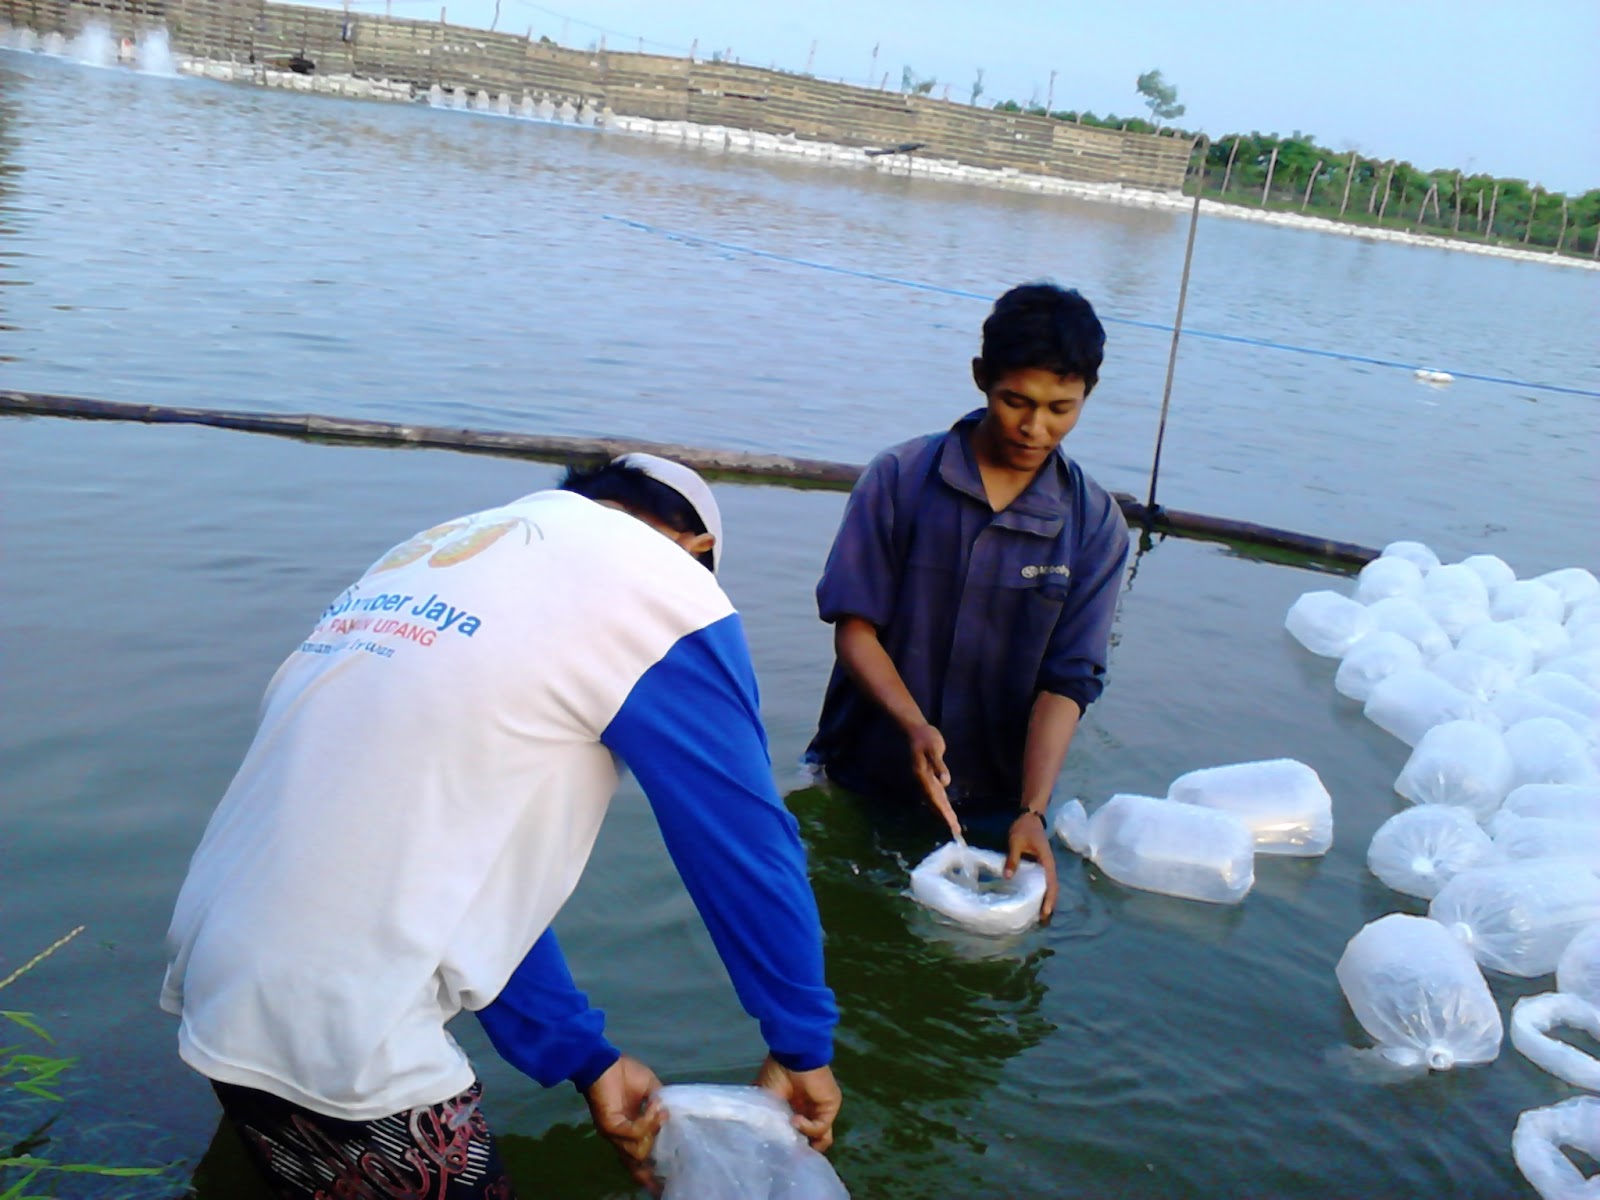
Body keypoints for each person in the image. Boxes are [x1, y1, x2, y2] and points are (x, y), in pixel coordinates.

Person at [161, 453, 841, 1198]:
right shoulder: (667, 588)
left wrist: (586, 1057)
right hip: (341, 1021)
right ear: (698, 551)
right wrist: (801, 1044)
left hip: (219, 975)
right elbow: (743, 842)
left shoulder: (429, 557)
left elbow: (458, 871)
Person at [805, 283, 1130, 923]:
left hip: (996, 798)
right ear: (982, 377)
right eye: (1016, 401)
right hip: (864, 766)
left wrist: (1032, 810)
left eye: (1060, 408)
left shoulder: (1094, 524)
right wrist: (913, 725)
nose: (1035, 428)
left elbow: (1068, 682)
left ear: (1088, 394)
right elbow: (855, 627)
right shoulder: (900, 479)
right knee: (837, 928)